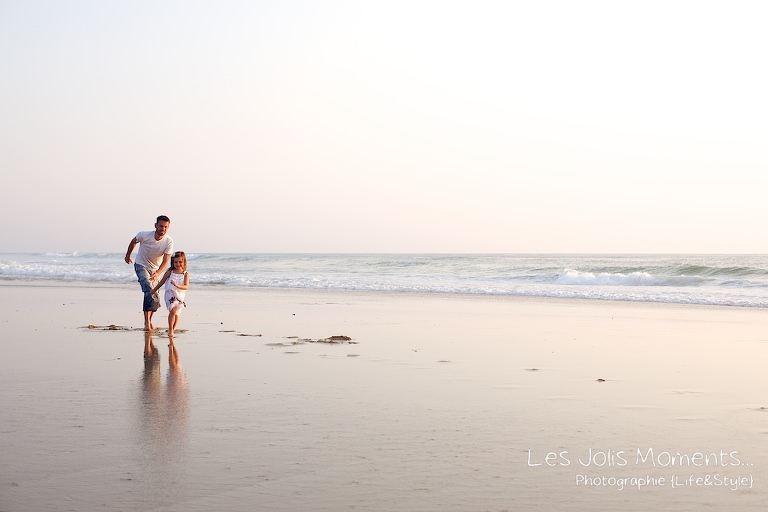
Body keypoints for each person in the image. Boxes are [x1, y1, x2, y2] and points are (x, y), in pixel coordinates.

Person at [125, 215, 174, 331]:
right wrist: (128, 255)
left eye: (166, 227)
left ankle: (150, 320)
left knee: (154, 295)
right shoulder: (144, 235)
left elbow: (166, 261)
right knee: (148, 289)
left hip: (155, 270)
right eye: (161, 226)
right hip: (141, 265)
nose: (163, 229)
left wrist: (158, 273)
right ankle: (147, 323)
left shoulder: (169, 241)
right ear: (156, 226)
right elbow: (133, 241)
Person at [151, 251, 189, 341]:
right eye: (176, 262)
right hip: (170, 294)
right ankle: (171, 330)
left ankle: (173, 328)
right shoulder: (170, 272)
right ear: (173, 262)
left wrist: (177, 285)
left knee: (176, 314)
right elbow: (162, 281)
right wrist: (154, 290)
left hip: (180, 296)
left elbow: (186, 286)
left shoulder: (185, 274)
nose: (178, 264)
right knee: (172, 311)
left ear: (184, 262)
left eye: (180, 262)